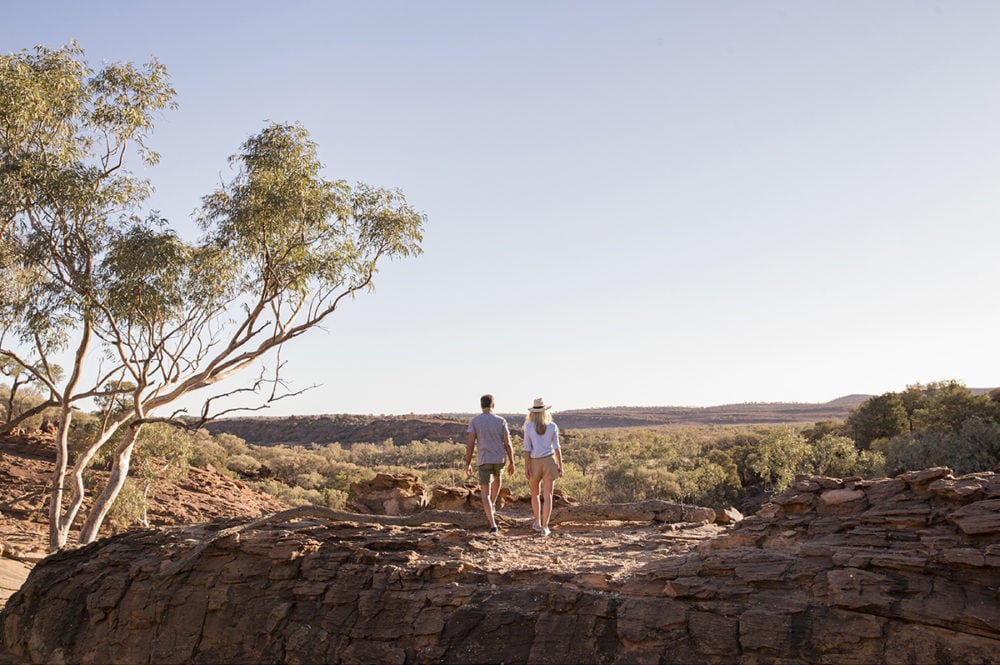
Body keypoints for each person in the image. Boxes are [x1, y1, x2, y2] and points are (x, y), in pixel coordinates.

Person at [465, 394, 515, 534]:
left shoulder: (475, 421)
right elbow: (508, 443)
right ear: (493, 405)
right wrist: (512, 461)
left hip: (484, 460)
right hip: (499, 459)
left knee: (484, 493)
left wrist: (467, 463)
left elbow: (470, 444)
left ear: (481, 406)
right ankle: (492, 504)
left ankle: (493, 526)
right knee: (498, 479)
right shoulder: (501, 421)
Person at [522, 397, 563, 536]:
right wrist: (560, 465)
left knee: (535, 494)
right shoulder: (552, 426)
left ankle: (537, 523)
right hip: (549, 461)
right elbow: (557, 448)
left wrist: (526, 466)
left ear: (533, 412)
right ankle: (545, 527)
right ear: (545, 411)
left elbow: (527, 448)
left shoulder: (528, 427)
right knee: (548, 495)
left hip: (534, 461)